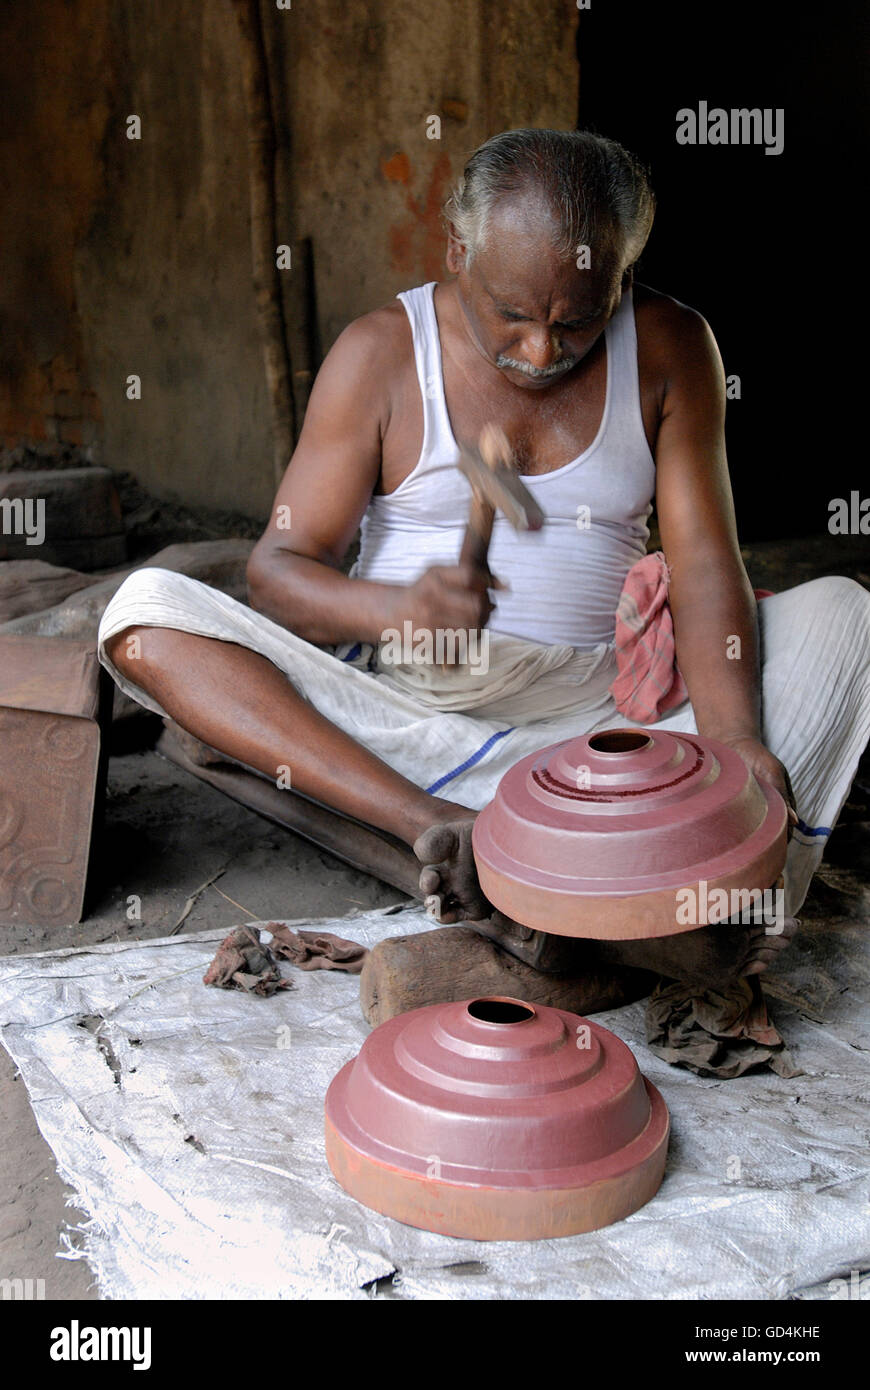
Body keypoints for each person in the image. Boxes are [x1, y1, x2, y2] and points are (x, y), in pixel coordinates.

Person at [98, 128, 870, 987]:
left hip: (601, 741)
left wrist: (730, 744)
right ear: (458, 250)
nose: (542, 351)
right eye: (513, 314)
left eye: (578, 317)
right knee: (148, 614)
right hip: (409, 728)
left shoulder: (671, 344)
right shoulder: (381, 354)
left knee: (844, 614)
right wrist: (396, 611)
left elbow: (704, 565)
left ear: (622, 271)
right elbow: (278, 569)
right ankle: (451, 837)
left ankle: (614, 910)